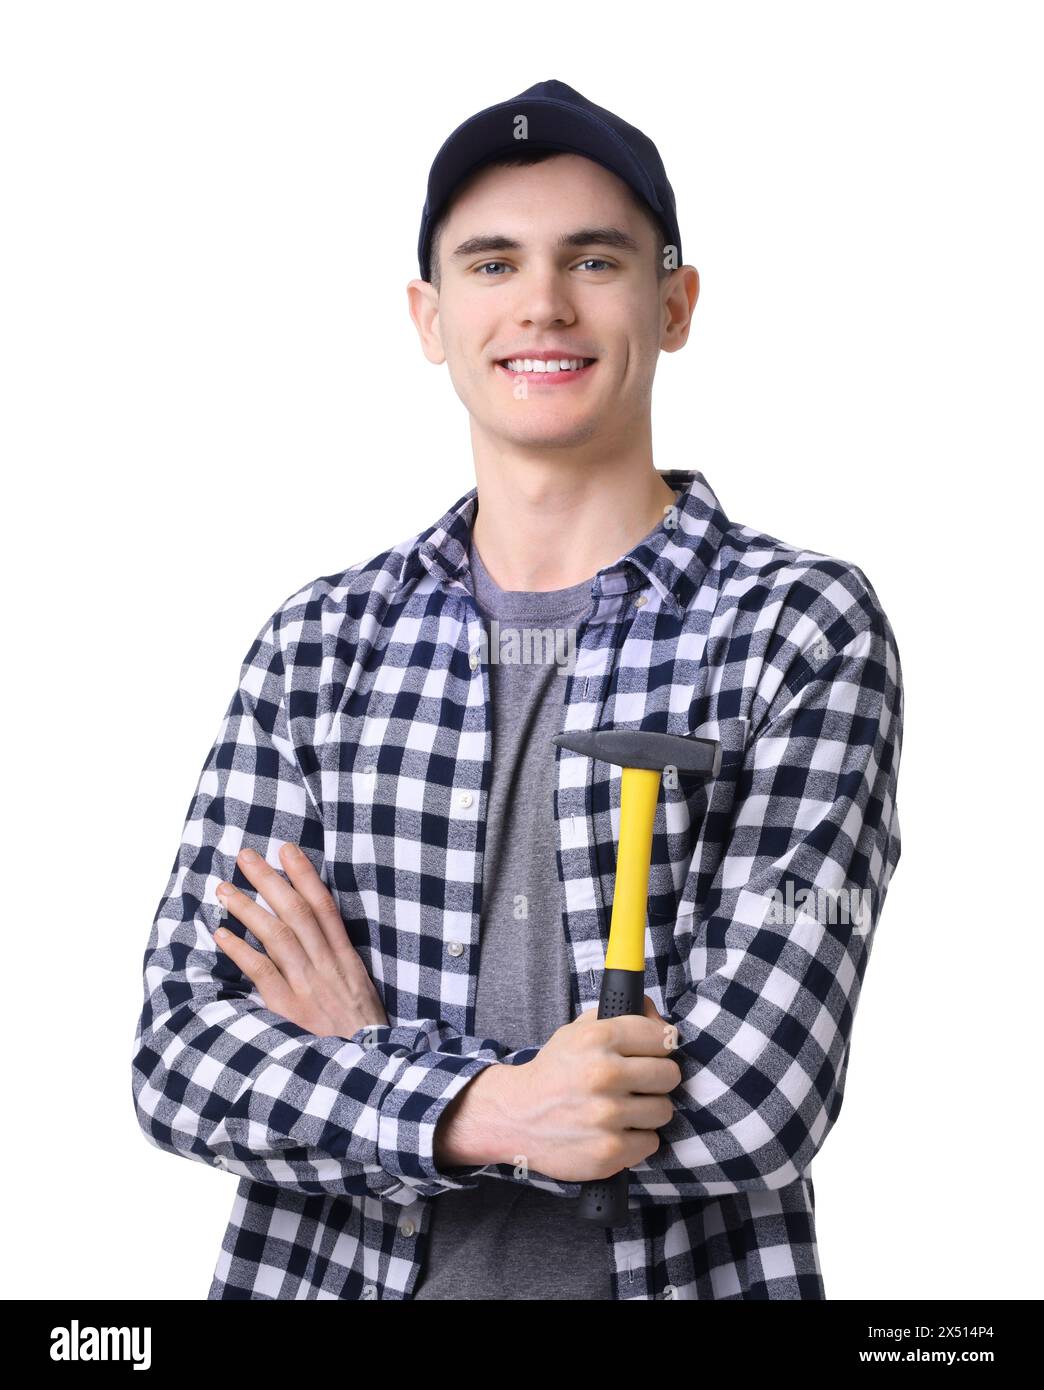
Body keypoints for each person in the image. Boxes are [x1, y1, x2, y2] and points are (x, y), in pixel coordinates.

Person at [131, 79, 903, 1301]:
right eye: (492, 265)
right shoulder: (319, 644)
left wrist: (369, 1056)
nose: (542, 303)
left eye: (592, 259)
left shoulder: (794, 628)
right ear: (430, 316)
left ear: (676, 300)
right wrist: (495, 1107)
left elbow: (760, 1092)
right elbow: (182, 1055)